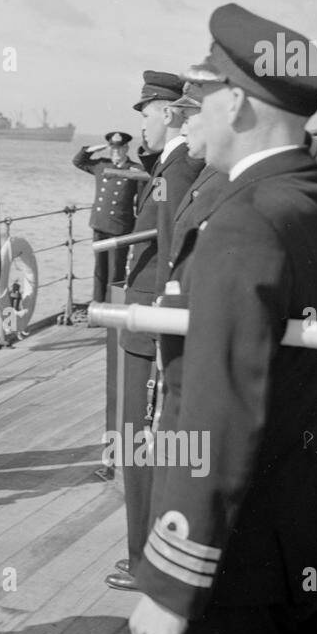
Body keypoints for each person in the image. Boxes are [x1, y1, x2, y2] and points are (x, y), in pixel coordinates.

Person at [128, 4, 317, 634]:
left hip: (232, 554)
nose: (191, 115)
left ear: (236, 103)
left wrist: (173, 580)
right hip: (300, 533)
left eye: (202, 99)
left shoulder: (247, 222)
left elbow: (222, 405)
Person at [105, 72, 204, 578]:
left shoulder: (180, 170)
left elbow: (171, 255)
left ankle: (147, 559)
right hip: (148, 322)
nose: (140, 126)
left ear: (167, 113)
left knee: (140, 440)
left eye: (144, 114)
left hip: (153, 327)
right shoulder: (172, 163)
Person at [73, 131, 142, 304]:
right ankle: (97, 306)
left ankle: (116, 308)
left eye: (120, 148)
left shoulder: (136, 169)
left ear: (126, 148)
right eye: (113, 148)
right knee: (99, 270)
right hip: (100, 224)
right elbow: (78, 161)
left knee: (117, 272)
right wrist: (96, 148)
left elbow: (144, 197)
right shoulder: (101, 165)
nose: (116, 152)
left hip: (120, 228)